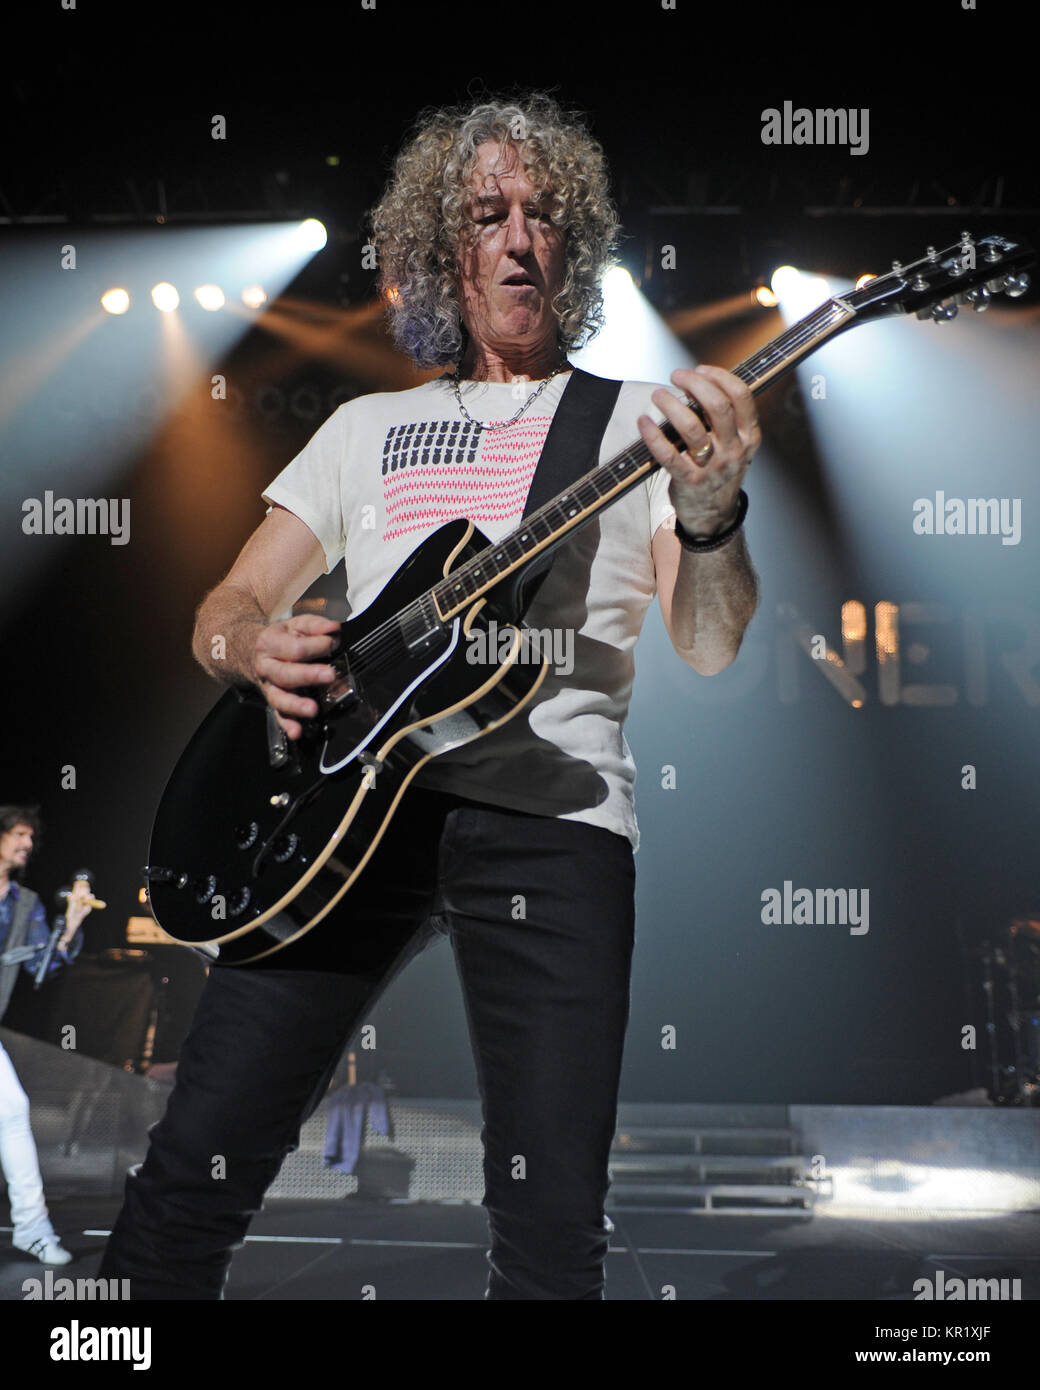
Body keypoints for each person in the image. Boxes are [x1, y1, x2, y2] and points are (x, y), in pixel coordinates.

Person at [100, 92, 761, 1300]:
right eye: (487, 213)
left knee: (551, 1234)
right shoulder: (366, 426)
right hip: (339, 820)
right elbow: (222, 610)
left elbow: (708, 643)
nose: (519, 237)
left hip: (550, 829)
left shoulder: (634, 423)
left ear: (574, 246)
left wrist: (712, 513)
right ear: (436, 247)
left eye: (543, 216)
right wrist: (252, 652)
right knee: (184, 1183)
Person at [0, 806, 93, 1265]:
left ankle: (32, 1228)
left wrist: (71, 924)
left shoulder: (25, 904)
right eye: (19, 834)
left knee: (12, 1111)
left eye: (30, 837)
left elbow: (40, 970)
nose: (27, 844)